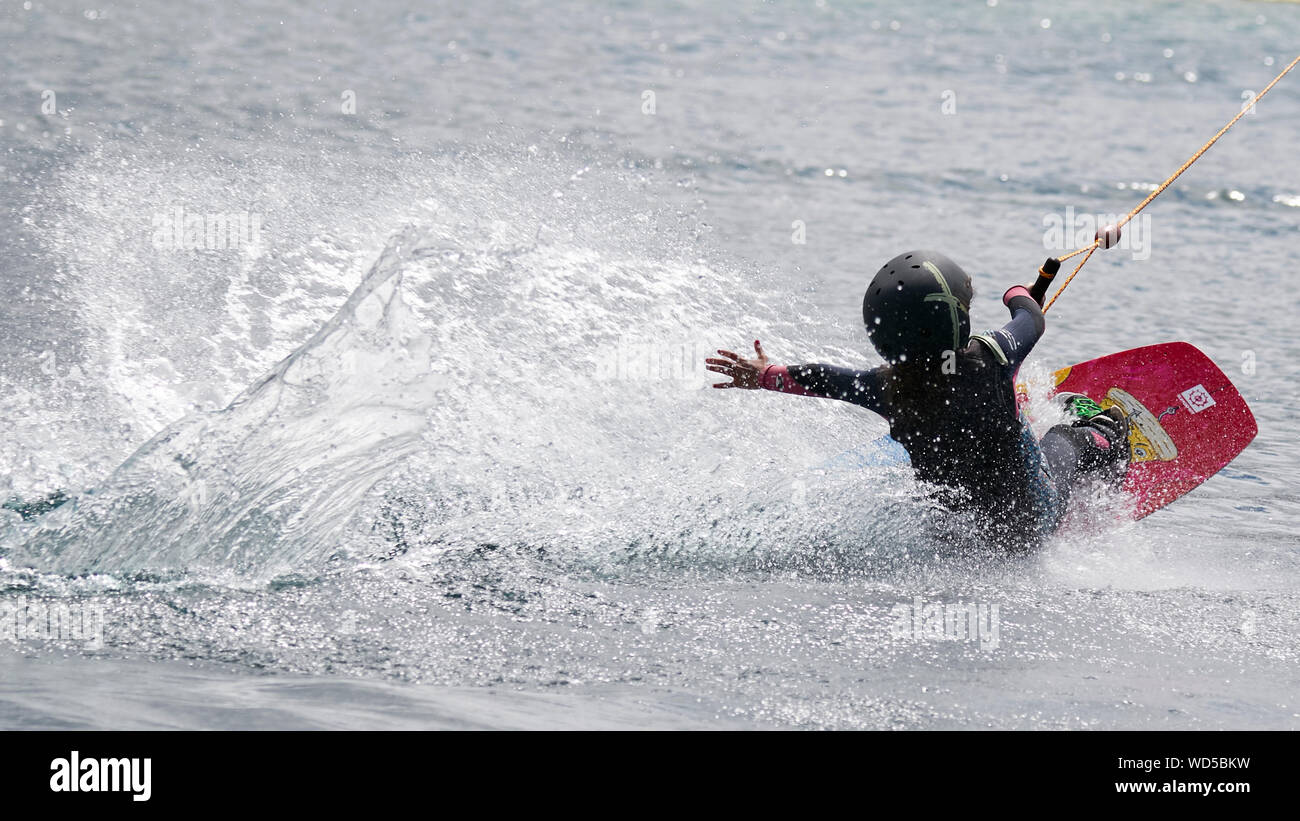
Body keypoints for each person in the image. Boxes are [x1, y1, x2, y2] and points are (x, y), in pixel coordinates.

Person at [705, 250, 1128, 545]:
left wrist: (765, 376)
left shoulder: (885, 387)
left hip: (961, 534)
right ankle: (1104, 436)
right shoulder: (995, 353)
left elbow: (823, 379)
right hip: (1031, 524)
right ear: (957, 320)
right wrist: (1017, 292)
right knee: (1069, 440)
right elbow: (1030, 318)